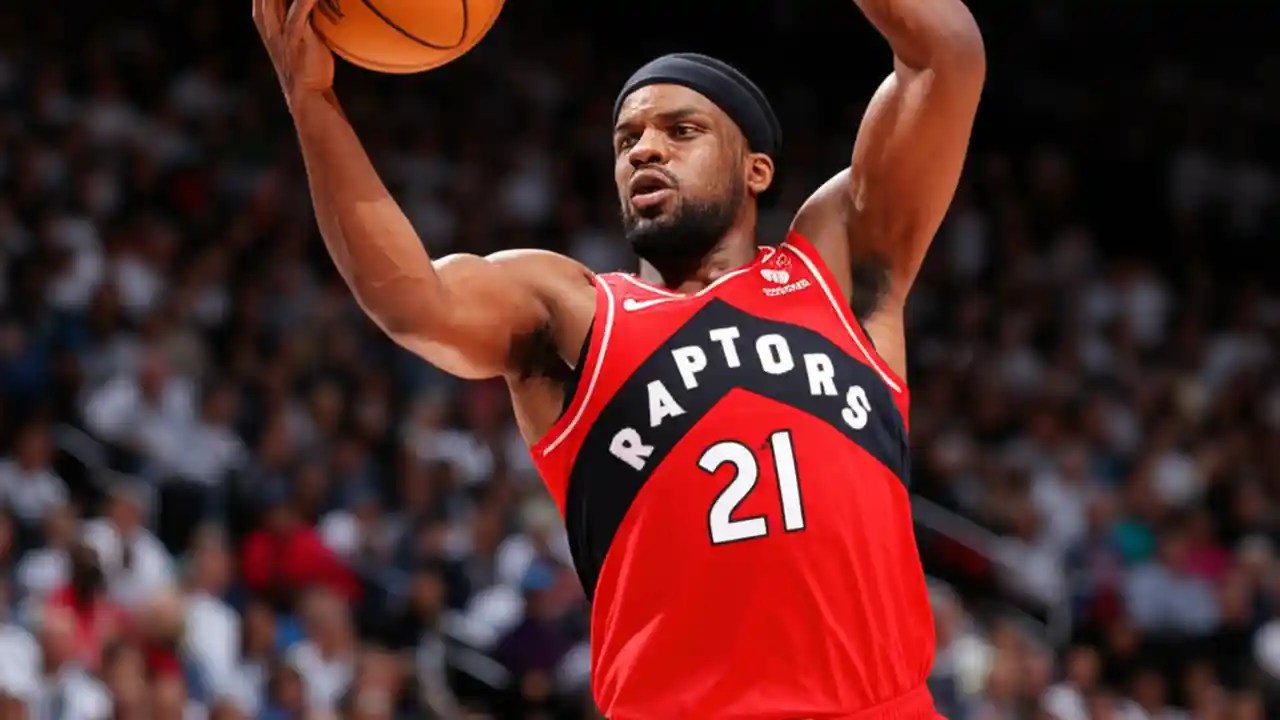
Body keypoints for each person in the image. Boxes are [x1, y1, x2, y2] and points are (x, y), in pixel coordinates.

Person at [253, 0, 984, 716]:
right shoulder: (572, 314)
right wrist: (313, 103)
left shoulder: (836, 268)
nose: (645, 149)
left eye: (681, 130)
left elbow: (945, 55)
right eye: (627, 137)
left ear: (756, 170)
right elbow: (410, 300)